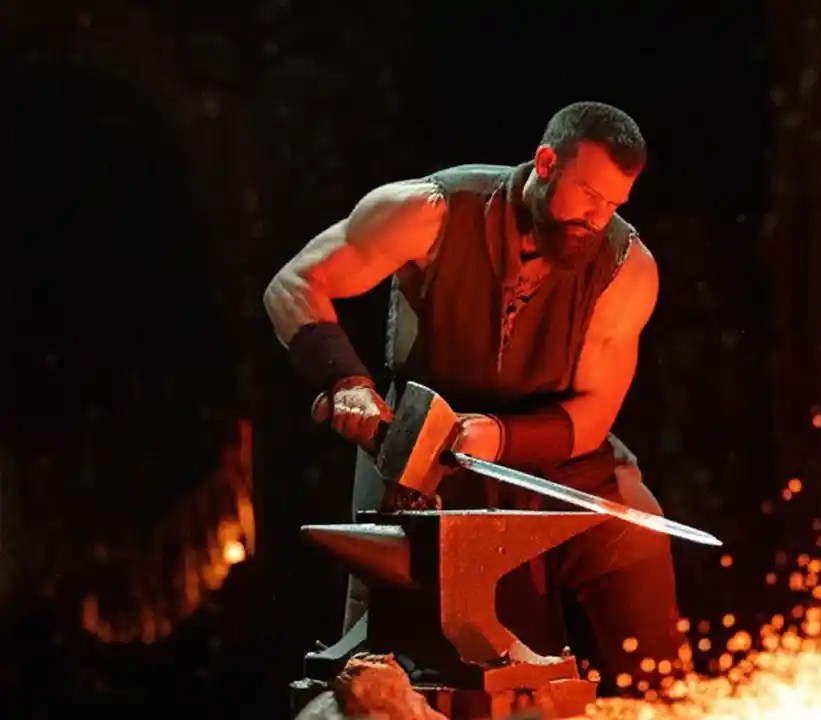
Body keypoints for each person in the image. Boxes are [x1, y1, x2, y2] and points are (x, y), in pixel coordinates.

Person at [264, 101, 688, 697]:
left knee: (638, 540)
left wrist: (497, 435)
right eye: (588, 194)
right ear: (545, 163)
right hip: (418, 451)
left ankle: (672, 702)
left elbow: (592, 415)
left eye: (613, 204)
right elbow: (295, 285)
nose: (597, 218)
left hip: (551, 446)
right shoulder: (430, 212)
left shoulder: (625, 266)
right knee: (401, 655)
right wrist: (347, 384)